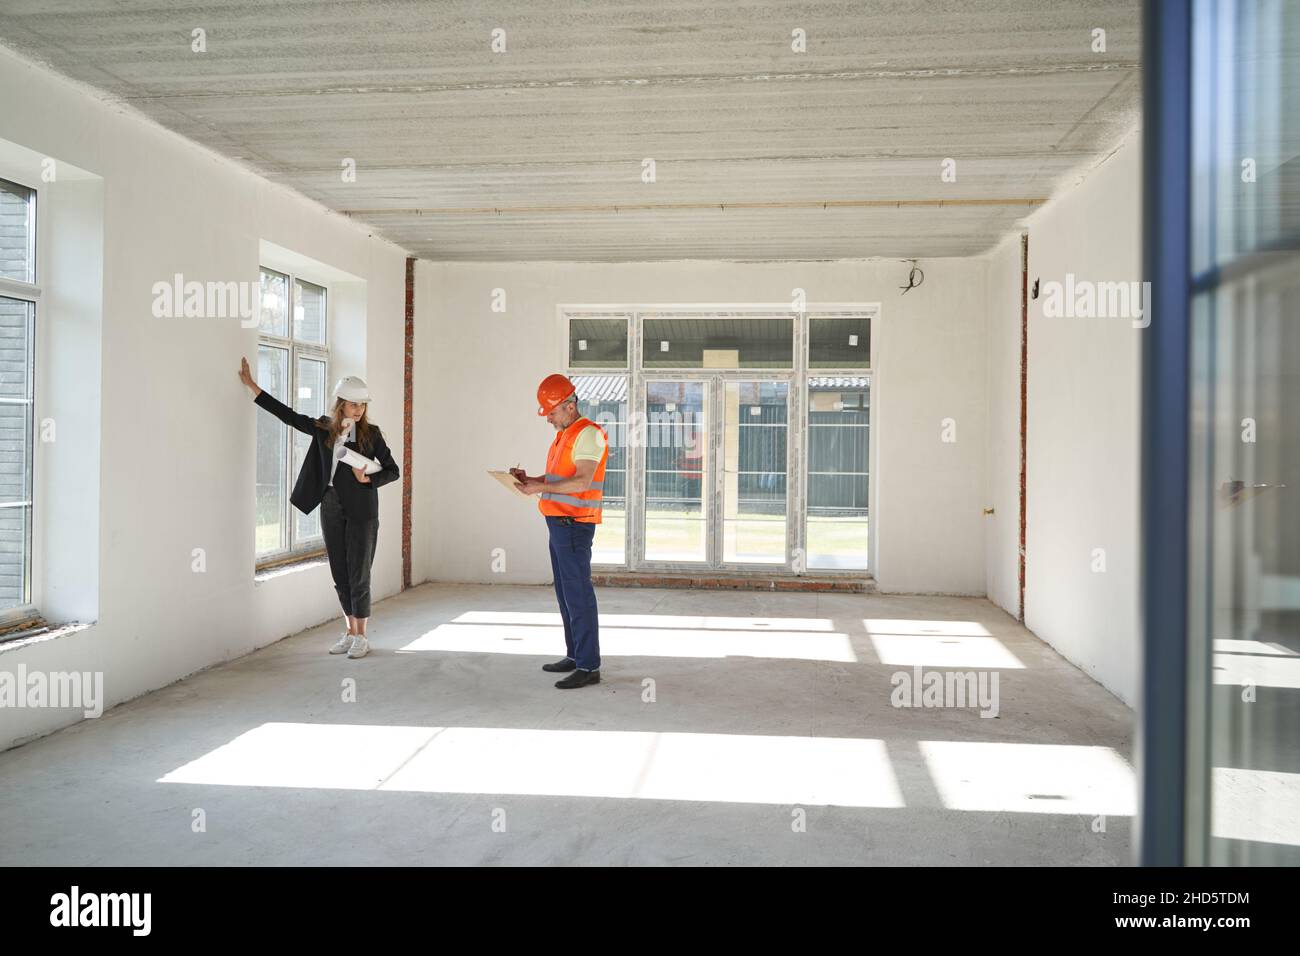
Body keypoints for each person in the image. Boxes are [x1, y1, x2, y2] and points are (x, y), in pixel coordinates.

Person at [238, 357, 399, 659]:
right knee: (340, 572)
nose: (359, 410)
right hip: (331, 505)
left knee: (359, 572)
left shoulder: (371, 435)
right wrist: (252, 386)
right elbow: (288, 416)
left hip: (362, 509)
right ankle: (350, 631)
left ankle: (363, 636)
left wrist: (368, 477)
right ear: (340, 405)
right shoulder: (324, 429)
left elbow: (393, 470)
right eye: (353, 405)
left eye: (362, 405)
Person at [512, 374, 609, 689]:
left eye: (551, 412)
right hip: (558, 523)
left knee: (578, 594)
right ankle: (575, 654)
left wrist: (539, 486)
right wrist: (533, 479)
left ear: (569, 405)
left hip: (574, 525)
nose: (549, 419)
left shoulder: (589, 435)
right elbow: (558, 478)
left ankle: (589, 665)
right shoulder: (565, 435)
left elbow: (582, 481)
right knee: (566, 595)